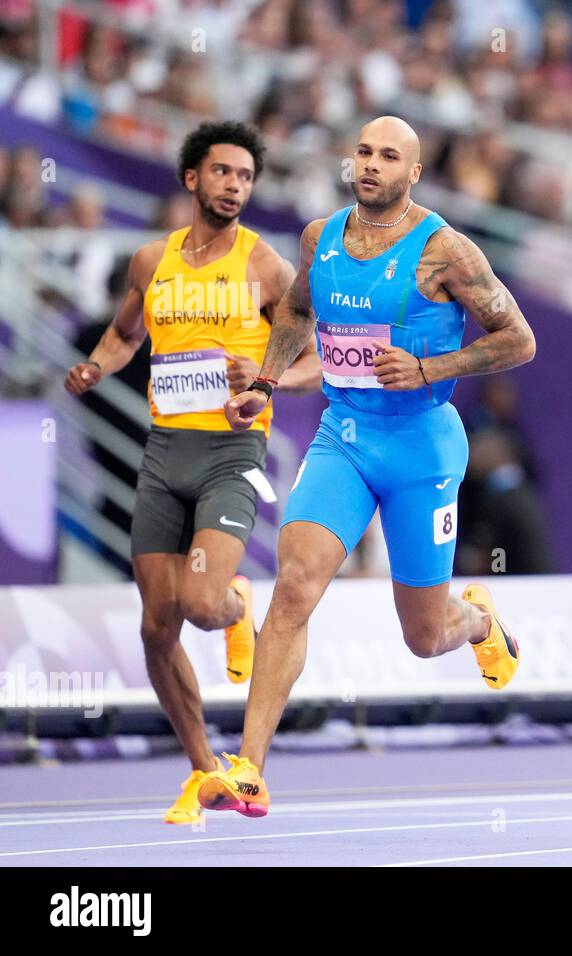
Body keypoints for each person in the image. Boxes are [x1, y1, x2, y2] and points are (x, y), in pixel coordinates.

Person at [198, 116, 537, 818]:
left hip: (422, 449)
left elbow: (519, 340)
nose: (372, 165)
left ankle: (475, 620)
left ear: (414, 173)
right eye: (363, 152)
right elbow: (295, 313)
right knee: (293, 586)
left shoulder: (447, 252)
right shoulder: (320, 238)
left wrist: (430, 367)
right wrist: (264, 382)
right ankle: (249, 768)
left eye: (389, 157)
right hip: (344, 439)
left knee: (422, 637)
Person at [63, 121, 321, 824]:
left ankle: (236, 605)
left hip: (229, 455)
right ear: (192, 180)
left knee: (204, 606)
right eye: (223, 173)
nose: (235, 186)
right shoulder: (151, 261)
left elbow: (320, 355)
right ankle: (204, 772)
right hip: (162, 453)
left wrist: (265, 378)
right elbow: (125, 333)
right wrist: (97, 365)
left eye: (245, 176)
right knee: (155, 628)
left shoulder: (267, 268)